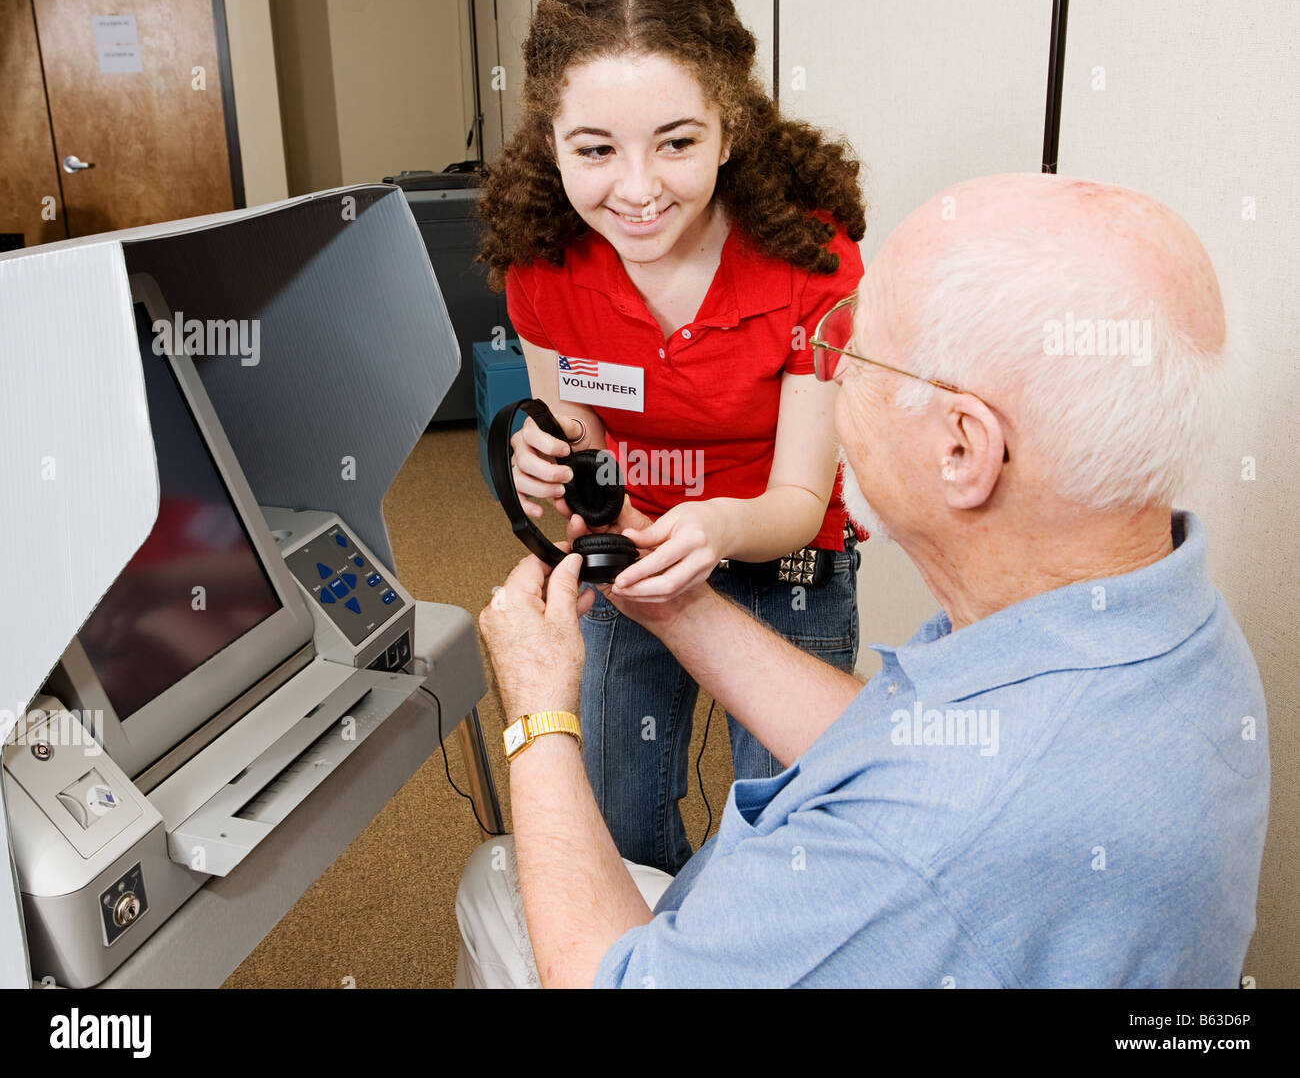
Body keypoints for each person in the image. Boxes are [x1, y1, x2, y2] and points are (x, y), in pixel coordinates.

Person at [456, 172, 1270, 988]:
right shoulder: (1166, 613)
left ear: (963, 449)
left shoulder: (918, 848)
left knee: (492, 879)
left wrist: (537, 712)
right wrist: (683, 611)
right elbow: (902, 744)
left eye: (855, 347)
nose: (830, 366)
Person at [477, 0, 867, 875]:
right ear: (553, 144)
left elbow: (802, 499)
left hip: (787, 553)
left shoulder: (810, 255)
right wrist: (553, 462)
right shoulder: (543, 259)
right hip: (633, 549)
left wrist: (719, 527)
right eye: (596, 149)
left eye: (677, 142)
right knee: (611, 830)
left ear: (730, 128)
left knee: (793, 841)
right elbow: (590, 450)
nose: (639, 189)